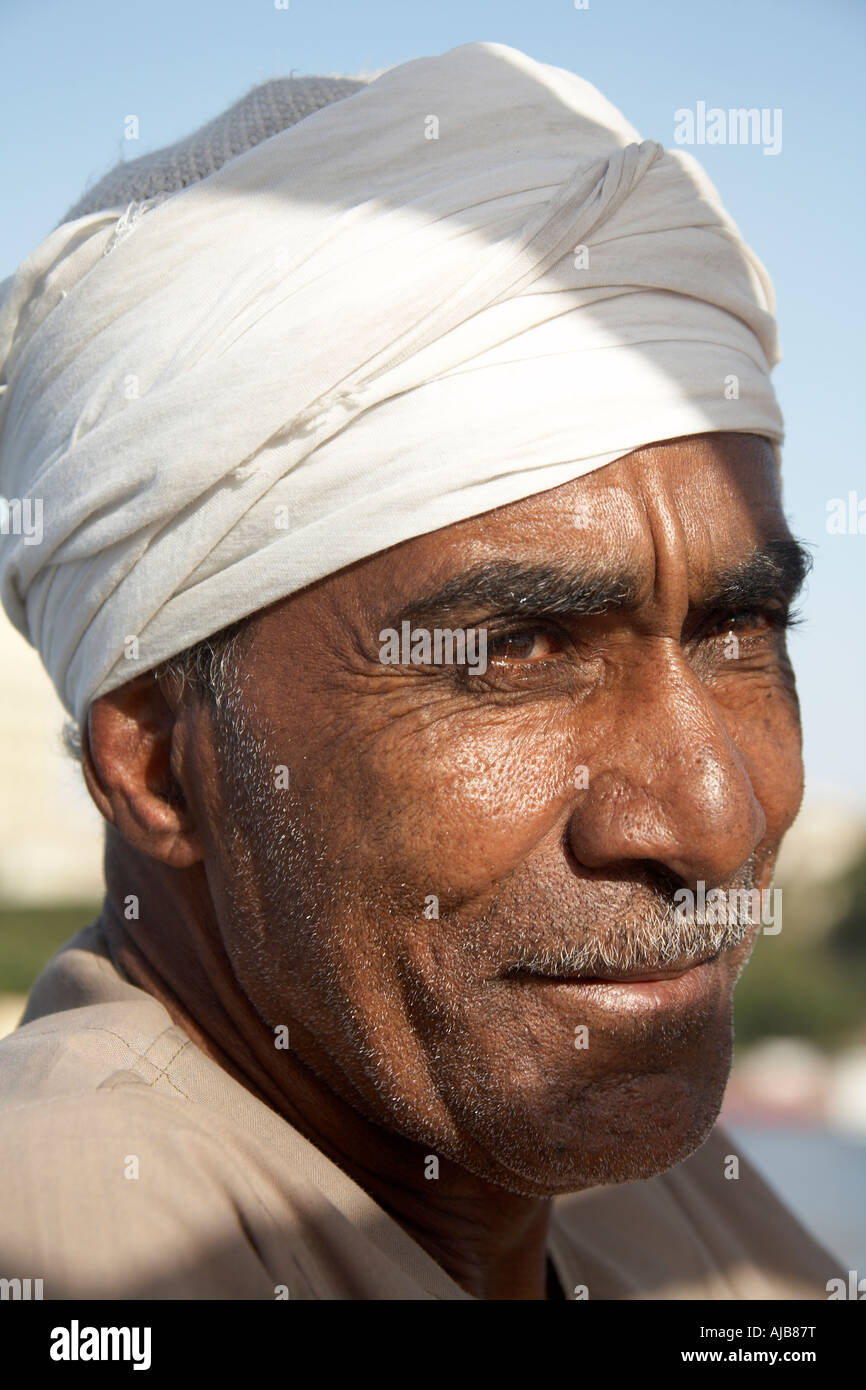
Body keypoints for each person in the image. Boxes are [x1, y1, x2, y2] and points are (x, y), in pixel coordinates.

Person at [0, 41, 839, 1300]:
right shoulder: (78, 1244)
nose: (709, 818)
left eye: (737, 631)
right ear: (162, 761)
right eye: (516, 651)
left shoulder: (639, 1195)